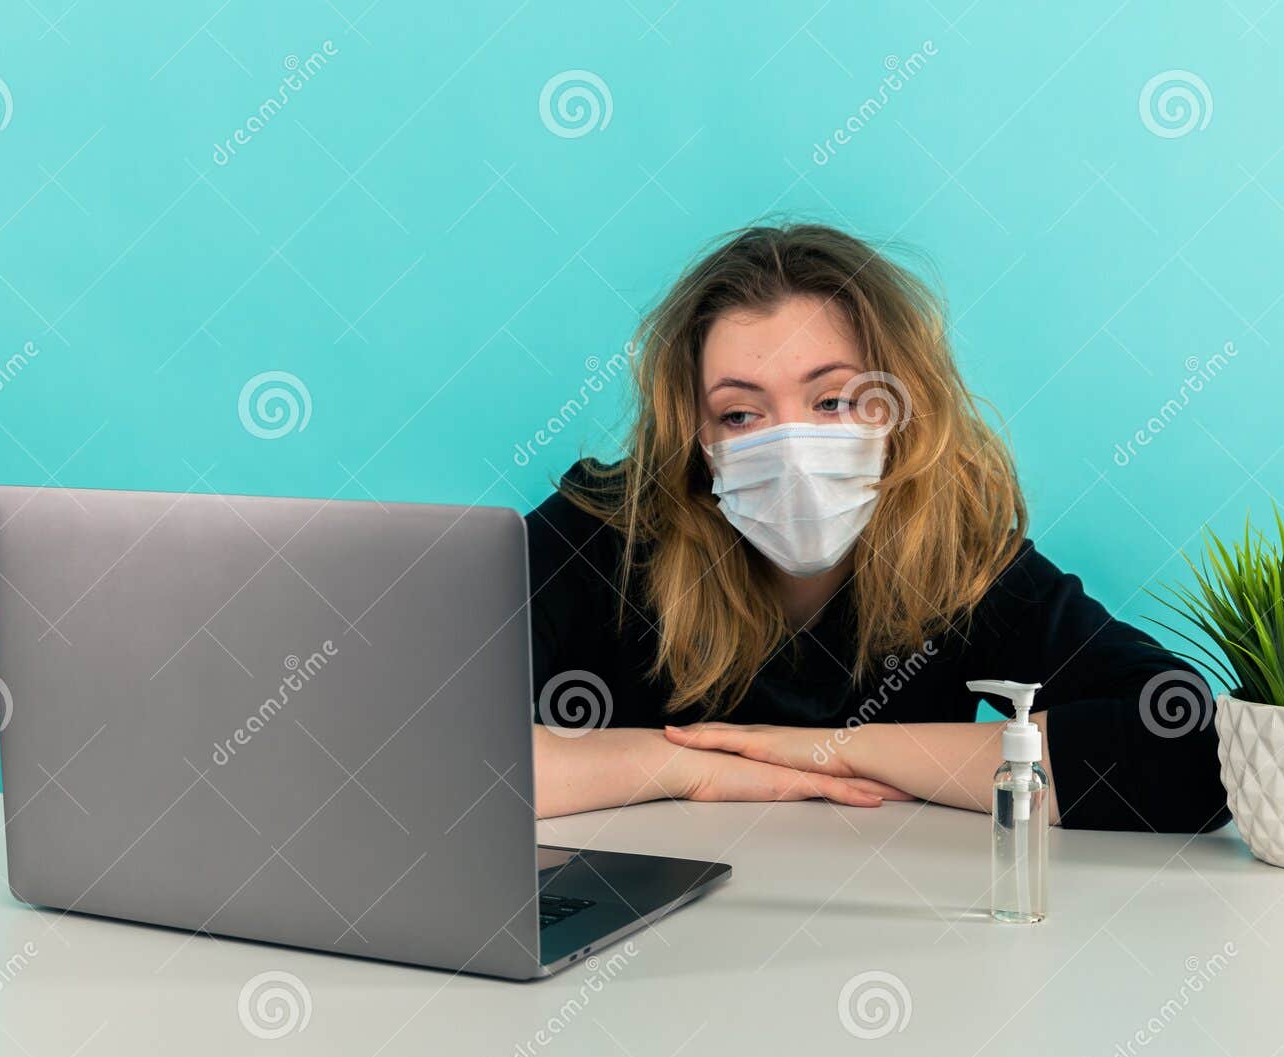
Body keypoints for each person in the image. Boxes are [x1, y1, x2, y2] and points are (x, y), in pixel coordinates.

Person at [526, 222, 1227, 833]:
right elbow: (430, 741)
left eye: (831, 400)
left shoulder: (955, 558)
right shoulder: (601, 531)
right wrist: (685, 768)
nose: (793, 449)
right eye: (741, 414)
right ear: (696, 440)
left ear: (896, 409)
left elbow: (1188, 742)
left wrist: (832, 749)